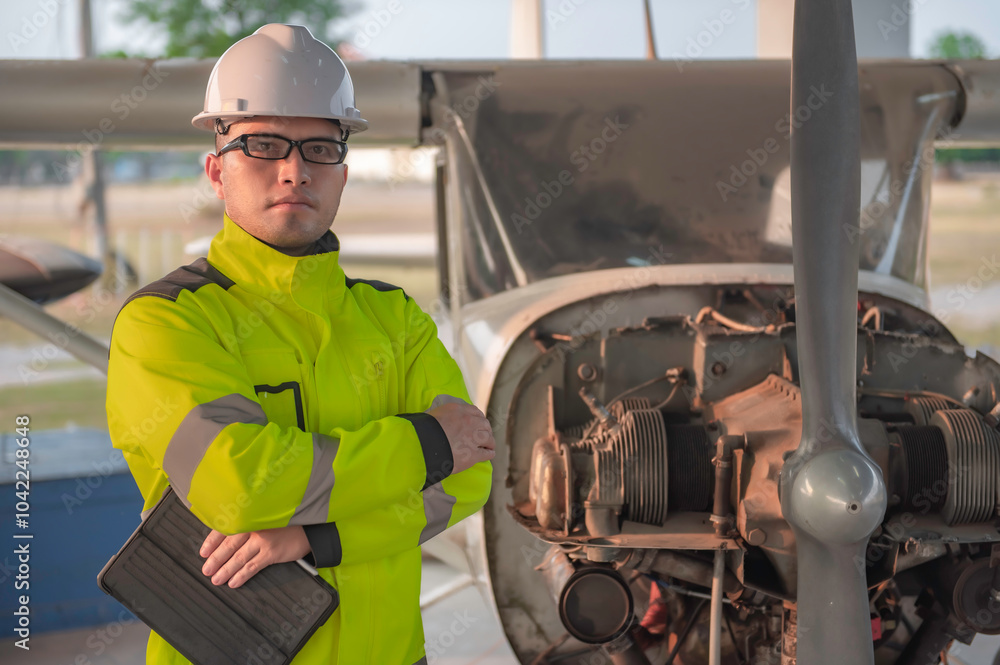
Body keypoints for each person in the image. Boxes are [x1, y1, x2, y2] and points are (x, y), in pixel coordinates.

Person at [105, 23, 495, 665]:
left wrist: (317, 538)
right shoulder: (166, 322)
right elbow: (237, 485)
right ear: (216, 170)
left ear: (343, 170)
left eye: (319, 147)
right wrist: (428, 443)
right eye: (262, 144)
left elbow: (469, 478)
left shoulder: (394, 318)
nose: (294, 170)